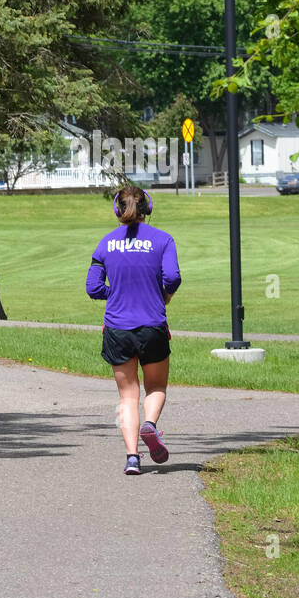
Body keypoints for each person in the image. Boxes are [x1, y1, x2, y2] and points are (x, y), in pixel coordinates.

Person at [85, 184, 181, 475]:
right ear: (147, 208)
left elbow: (93, 287)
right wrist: (164, 295)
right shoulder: (163, 240)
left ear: (118, 209)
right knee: (156, 387)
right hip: (152, 325)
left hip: (117, 328)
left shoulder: (106, 243)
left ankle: (132, 459)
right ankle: (150, 425)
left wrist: (113, 295)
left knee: (128, 396)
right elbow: (173, 276)